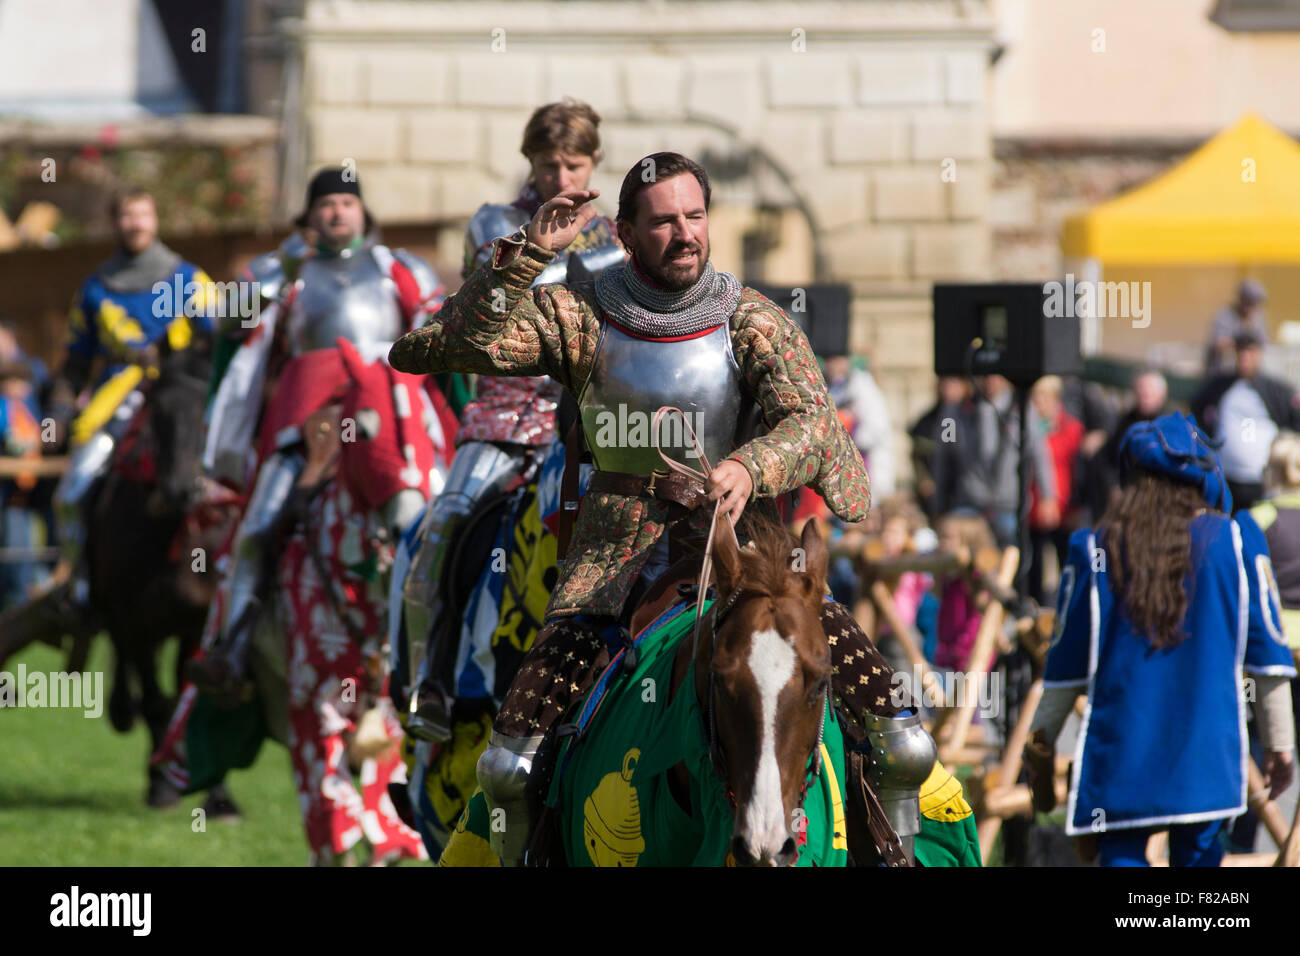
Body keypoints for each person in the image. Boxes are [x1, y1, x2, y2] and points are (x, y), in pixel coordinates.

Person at [391, 151, 935, 866]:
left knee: (904, 743)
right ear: (623, 233)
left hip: (749, 566)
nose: (685, 233)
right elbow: (443, 345)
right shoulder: (581, 317)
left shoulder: (752, 321)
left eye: (695, 216)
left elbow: (814, 425)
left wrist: (749, 464)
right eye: (664, 221)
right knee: (509, 767)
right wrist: (525, 256)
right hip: (612, 568)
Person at [401, 99, 625, 741]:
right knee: (445, 522)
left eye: (573, 164)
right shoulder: (494, 223)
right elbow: (490, 308)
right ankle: (432, 681)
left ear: (593, 163)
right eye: (549, 163)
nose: (560, 177)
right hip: (508, 412)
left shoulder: (616, 233)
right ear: (530, 161)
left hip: (590, 412)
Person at [188, 167, 451, 700]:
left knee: (440, 514)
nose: (336, 212)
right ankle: (231, 649)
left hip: (388, 416)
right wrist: (281, 265)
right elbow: (227, 324)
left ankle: (446, 647)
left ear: (363, 212)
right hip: (307, 424)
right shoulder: (286, 272)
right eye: (325, 205)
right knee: (259, 526)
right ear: (308, 217)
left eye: (346, 203)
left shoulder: (399, 269)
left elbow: (443, 329)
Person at [1024, 412, 1296, 867]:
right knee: (1200, 864)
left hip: (1122, 747)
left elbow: (1064, 667)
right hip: (1204, 750)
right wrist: (1280, 744)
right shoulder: (1236, 541)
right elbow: (1268, 657)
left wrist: (1041, 742)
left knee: (1121, 860)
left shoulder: (1093, 547)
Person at [48, 187, 217, 610]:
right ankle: (80, 585)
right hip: (117, 401)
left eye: (143, 214)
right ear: (115, 222)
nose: (136, 223)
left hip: (182, 399)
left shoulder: (189, 280)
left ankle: (229, 584)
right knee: (71, 494)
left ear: (155, 218)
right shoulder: (96, 288)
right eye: (127, 215)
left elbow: (222, 341)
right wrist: (60, 413)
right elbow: (74, 361)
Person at [1191, 328, 1300, 512]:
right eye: (1240, 351)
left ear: (1259, 353)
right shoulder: (1220, 385)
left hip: (1263, 483)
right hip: (1226, 478)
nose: (1245, 356)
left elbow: (1295, 421)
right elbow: (1196, 408)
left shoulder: (1276, 390)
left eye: (1250, 351)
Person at [1027, 375, 1084, 605]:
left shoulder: (1071, 428)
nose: (1038, 402)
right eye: (1035, 397)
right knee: (1034, 568)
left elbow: (1078, 469)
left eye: (1043, 397)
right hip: (1033, 509)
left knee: (1067, 565)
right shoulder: (1027, 427)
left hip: (1065, 508)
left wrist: (1073, 504)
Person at [1093, 368, 1170, 516]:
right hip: (1127, 494)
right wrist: (1113, 486)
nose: (1144, 396)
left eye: (1149, 393)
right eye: (1141, 392)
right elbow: (1109, 458)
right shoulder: (1126, 421)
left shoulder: (1169, 425)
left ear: (1162, 395)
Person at [1205, 278, 1269, 379]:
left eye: (1255, 303)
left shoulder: (1258, 317)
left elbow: (1263, 345)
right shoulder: (1226, 314)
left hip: (1247, 377)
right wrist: (1240, 342)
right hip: (1220, 376)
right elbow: (1218, 343)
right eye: (1249, 302)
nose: (1252, 308)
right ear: (1241, 300)